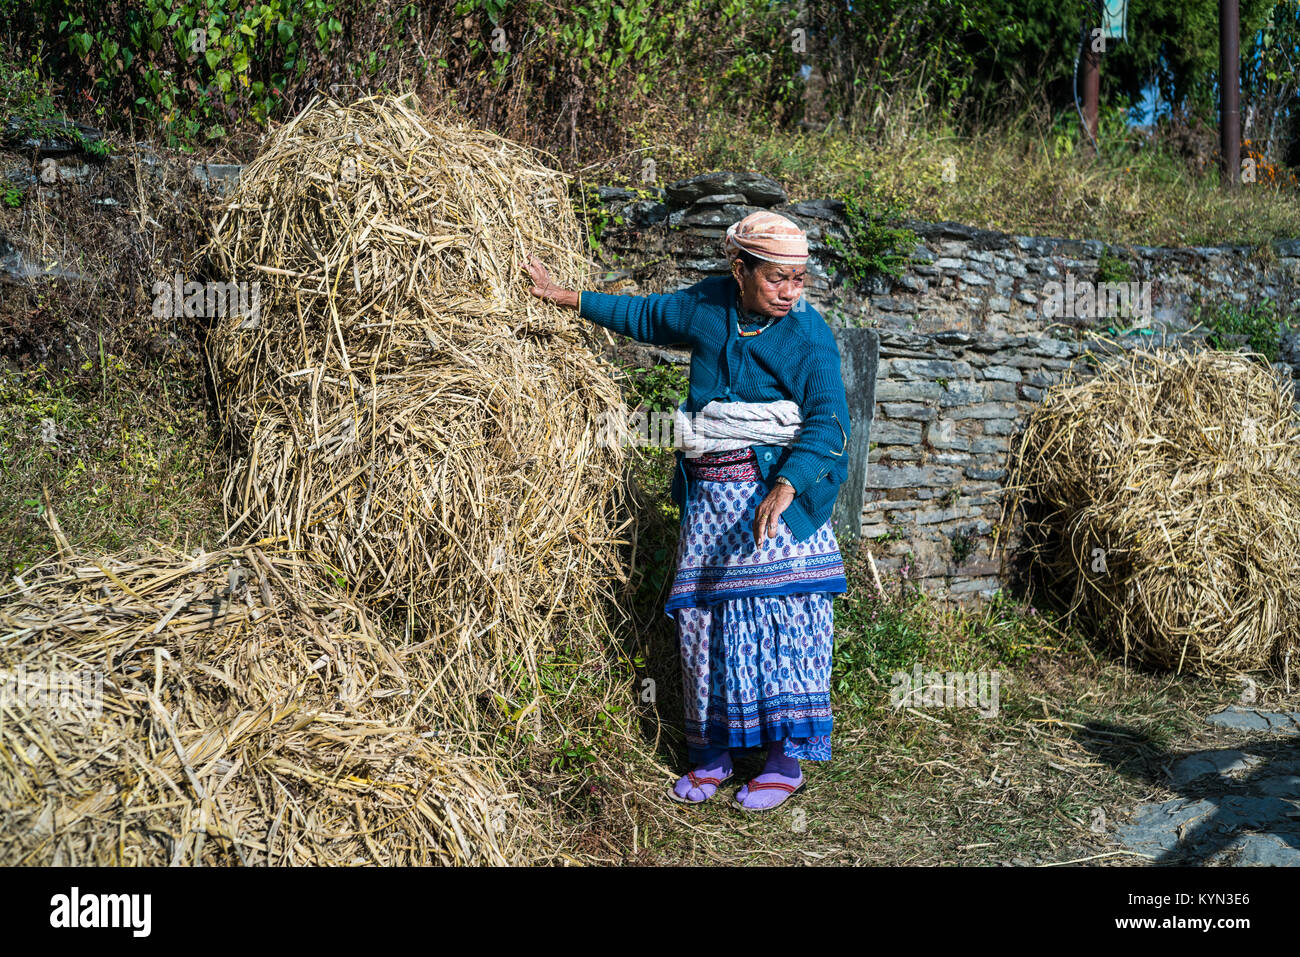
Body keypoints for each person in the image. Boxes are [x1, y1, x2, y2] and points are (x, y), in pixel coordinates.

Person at [525, 210, 850, 812]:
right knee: (706, 622)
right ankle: (714, 755)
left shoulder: (808, 337)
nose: (790, 292)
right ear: (740, 269)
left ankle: (781, 763)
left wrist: (786, 488)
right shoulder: (710, 305)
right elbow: (648, 315)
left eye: (799, 279)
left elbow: (830, 420)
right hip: (709, 497)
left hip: (775, 502)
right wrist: (565, 296)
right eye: (777, 278)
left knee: (777, 616)